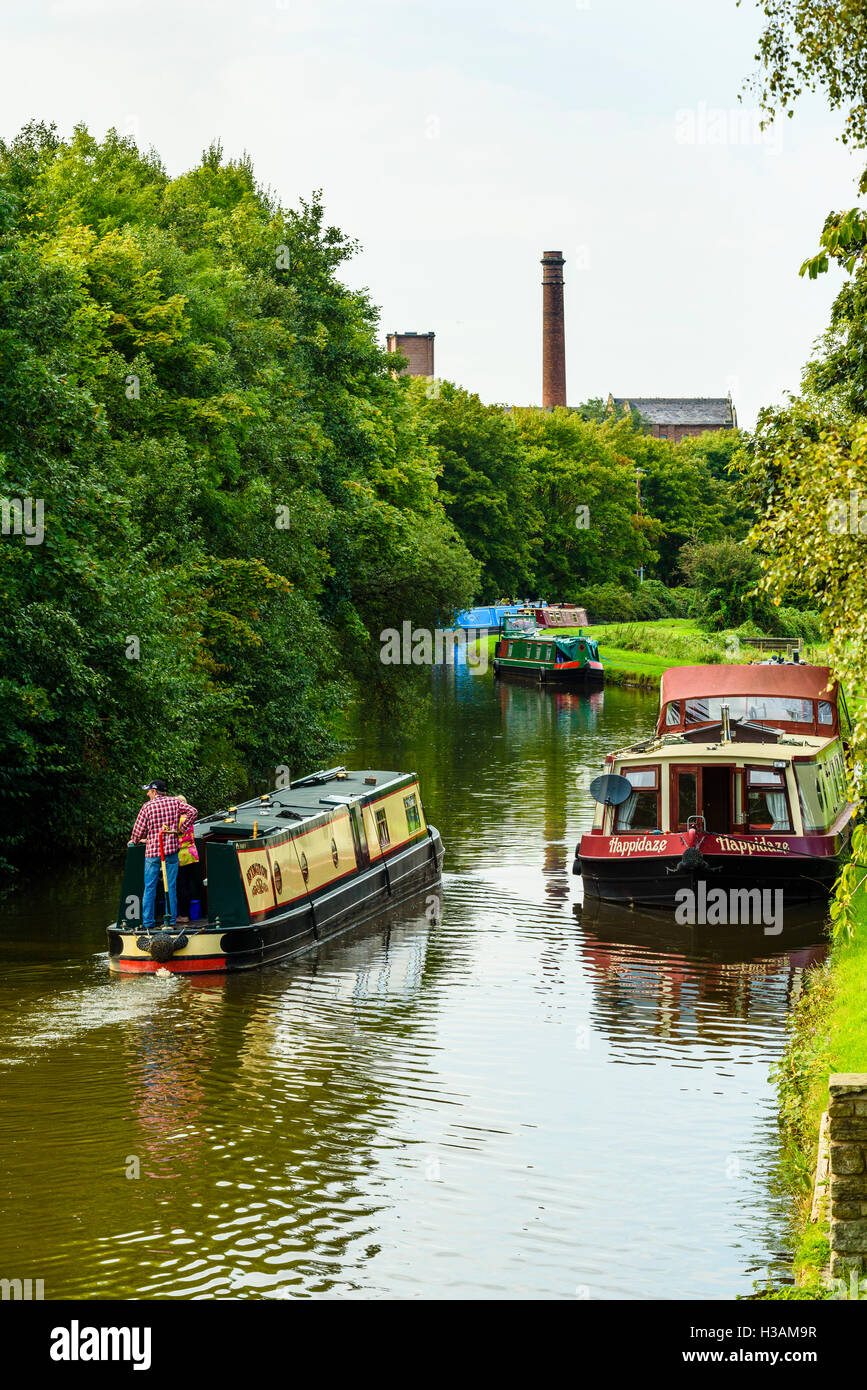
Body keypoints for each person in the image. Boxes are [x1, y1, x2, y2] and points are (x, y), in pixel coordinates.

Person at [128, 780, 198, 931]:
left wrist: (134, 841)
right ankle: (171, 920)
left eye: (148, 791)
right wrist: (181, 829)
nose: (147, 794)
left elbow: (138, 830)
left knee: (150, 887)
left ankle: (148, 923)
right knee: (171, 886)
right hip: (171, 852)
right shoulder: (175, 802)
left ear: (154, 791)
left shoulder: (147, 807)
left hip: (153, 852)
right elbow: (193, 812)